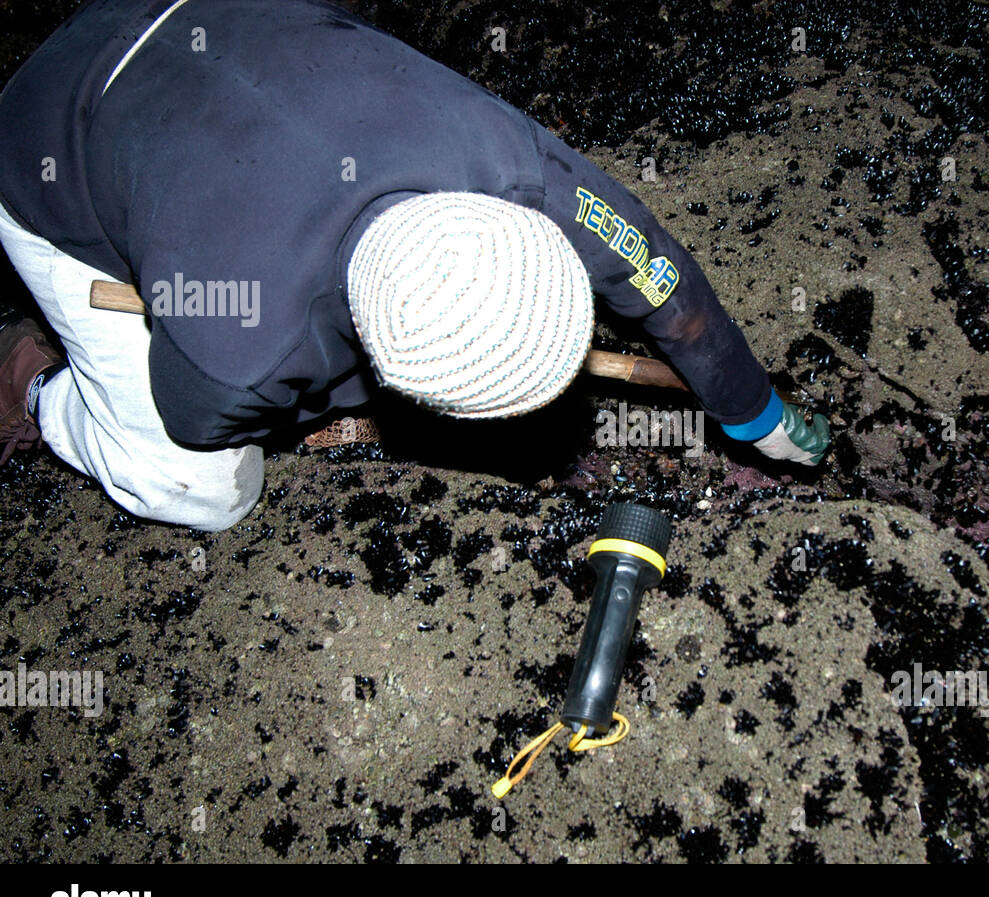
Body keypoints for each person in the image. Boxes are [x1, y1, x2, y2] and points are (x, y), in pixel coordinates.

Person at [0, 0, 831, 532]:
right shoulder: (236, 357)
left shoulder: (511, 167)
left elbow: (657, 281)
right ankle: (32, 388)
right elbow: (193, 422)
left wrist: (750, 406)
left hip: (197, 18)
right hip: (41, 150)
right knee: (202, 492)